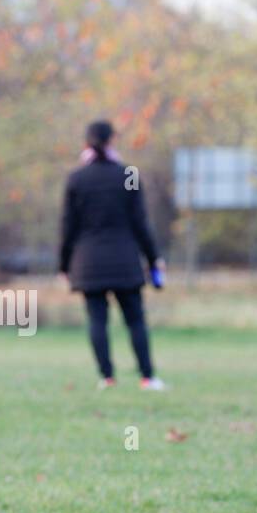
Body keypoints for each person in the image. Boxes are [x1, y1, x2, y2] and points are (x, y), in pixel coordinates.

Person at [59, 120, 166, 391]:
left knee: (97, 320)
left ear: (86, 143)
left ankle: (106, 378)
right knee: (135, 320)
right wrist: (154, 259)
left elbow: (67, 227)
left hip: (88, 262)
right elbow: (141, 224)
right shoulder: (127, 174)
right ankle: (147, 377)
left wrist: (63, 264)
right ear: (112, 141)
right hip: (125, 261)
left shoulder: (76, 179)